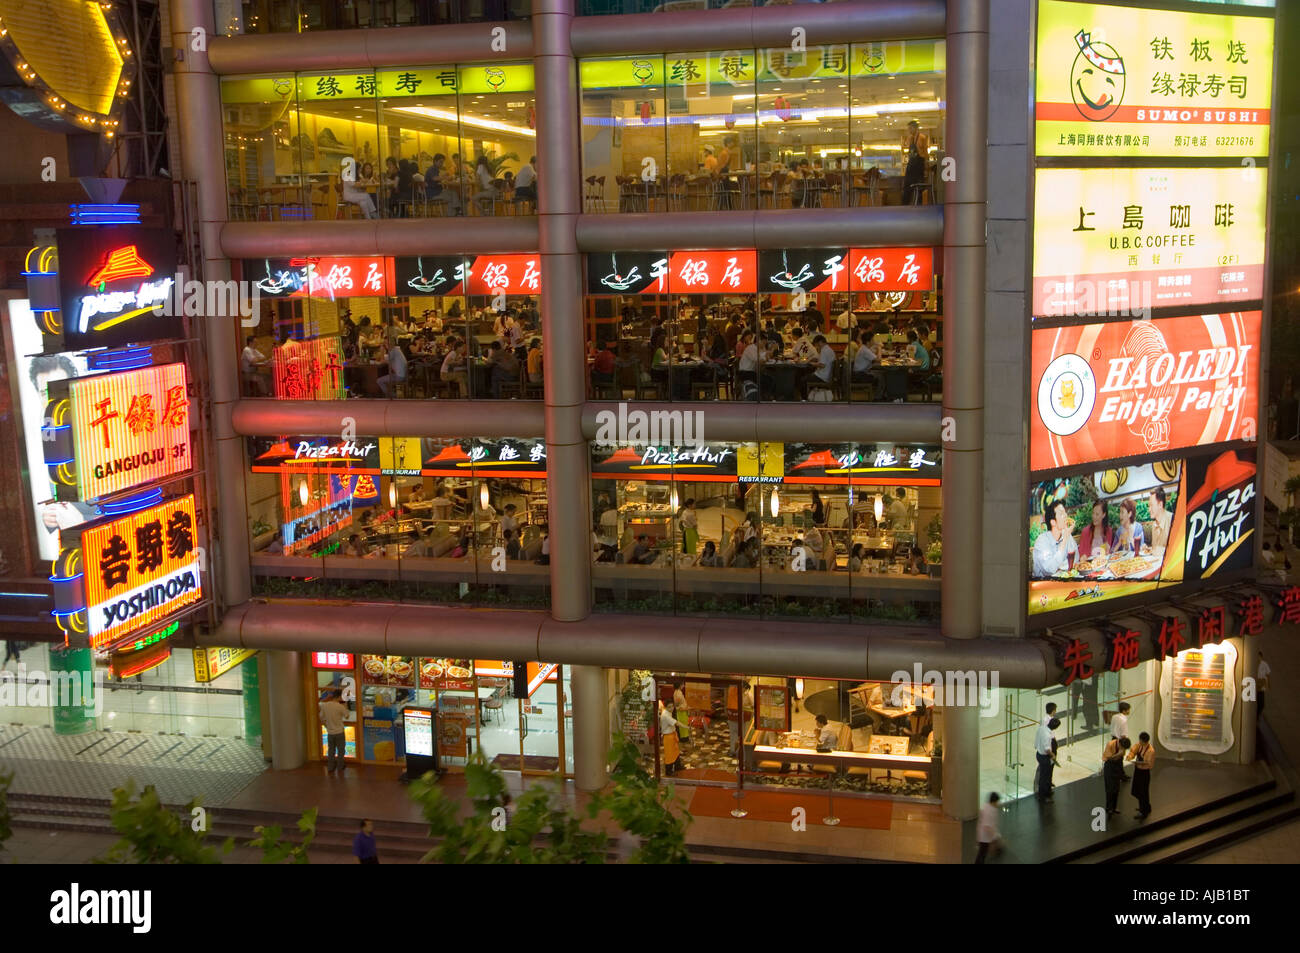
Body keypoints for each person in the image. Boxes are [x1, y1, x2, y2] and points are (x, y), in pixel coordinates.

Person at [1032, 498, 1078, 577]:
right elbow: (1049, 570)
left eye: (1065, 512)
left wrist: (1060, 567)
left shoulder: (1066, 534)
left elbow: (1076, 558)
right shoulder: (1042, 541)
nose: (1066, 515)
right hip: (1043, 583)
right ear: (1053, 522)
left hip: (1063, 580)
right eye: (1061, 513)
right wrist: (1065, 540)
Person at [319, 690, 349, 774]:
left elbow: (321, 717)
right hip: (339, 732)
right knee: (341, 750)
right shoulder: (340, 706)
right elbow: (347, 716)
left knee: (331, 750)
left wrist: (326, 725)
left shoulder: (325, 705)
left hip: (330, 732)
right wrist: (345, 705)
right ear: (339, 696)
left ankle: (330, 767)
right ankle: (340, 766)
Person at [902, 119, 930, 205]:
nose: (909, 130)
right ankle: (905, 205)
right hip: (911, 164)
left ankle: (919, 205)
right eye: (908, 128)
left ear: (915, 128)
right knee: (907, 185)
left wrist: (926, 166)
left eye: (910, 128)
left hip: (919, 164)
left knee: (919, 186)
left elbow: (925, 153)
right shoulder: (910, 138)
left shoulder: (922, 138)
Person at [1128, 731, 1155, 818]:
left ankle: (1143, 812)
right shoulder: (1139, 745)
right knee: (1137, 790)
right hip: (1138, 770)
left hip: (1144, 773)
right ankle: (1146, 807)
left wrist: (1138, 763)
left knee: (1143, 792)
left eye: (1140, 740)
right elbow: (1133, 751)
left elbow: (1149, 764)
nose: (1139, 741)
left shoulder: (1151, 750)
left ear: (1143, 741)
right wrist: (1130, 756)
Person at [1102, 734, 1131, 816]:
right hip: (1109, 767)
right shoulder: (1110, 744)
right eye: (1123, 748)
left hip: (1117, 766)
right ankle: (1109, 808)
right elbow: (1108, 758)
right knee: (1110, 789)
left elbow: (1121, 756)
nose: (1123, 750)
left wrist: (1120, 754)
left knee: (1116, 789)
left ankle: (1114, 807)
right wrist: (1118, 754)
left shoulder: (1123, 746)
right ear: (1120, 744)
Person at [1034, 716, 1059, 801]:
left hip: (1039, 753)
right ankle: (1043, 796)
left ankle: (1047, 791)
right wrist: (1052, 755)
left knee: (1045, 775)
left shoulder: (1041, 728)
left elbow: (1037, 738)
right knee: (1044, 777)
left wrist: (1036, 746)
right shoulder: (1048, 735)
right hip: (1044, 757)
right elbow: (1047, 749)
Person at [975, 792, 1001, 864]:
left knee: (982, 852)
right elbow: (987, 826)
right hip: (985, 837)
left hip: (984, 835)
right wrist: (993, 837)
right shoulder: (989, 811)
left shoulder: (986, 806)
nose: (998, 803)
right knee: (982, 853)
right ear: (994, 801)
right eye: (997, 801)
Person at [1111, 701, 1132, 780]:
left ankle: (1116, 774)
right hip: (1120, 741)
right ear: (1124, 711)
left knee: (1116, 758)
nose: (1129, 711)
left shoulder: (1114, 716)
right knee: (1119, 759)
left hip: (1113, 739)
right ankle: (1121, 775)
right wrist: (1124, 746)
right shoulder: (1123, 720)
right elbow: (1123, 734)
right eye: (1128, 709)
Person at [659, 700, 681, 775]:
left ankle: (678, 766)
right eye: (669, 707)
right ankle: (668, 771)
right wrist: (687, 727)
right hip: (668, 737)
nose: (671, 708)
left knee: (676, 751)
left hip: (672, 734)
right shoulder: (665, 715)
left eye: (672, 706)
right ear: (665, 707)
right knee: (669, 754)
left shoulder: (668, 712)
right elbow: (676, 723)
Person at [1257, 651, 1270, 718]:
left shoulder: (1264, 664)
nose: (1258, 658)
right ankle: (1256, 716)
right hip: (1255, 685)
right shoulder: (1254, 664)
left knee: (1261, 704)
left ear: (1261, 657)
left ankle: (1258, 715)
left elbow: (1268, 674)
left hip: (1261, 685)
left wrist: (1268, 684)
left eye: (1259, 657)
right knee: (1257, 702)